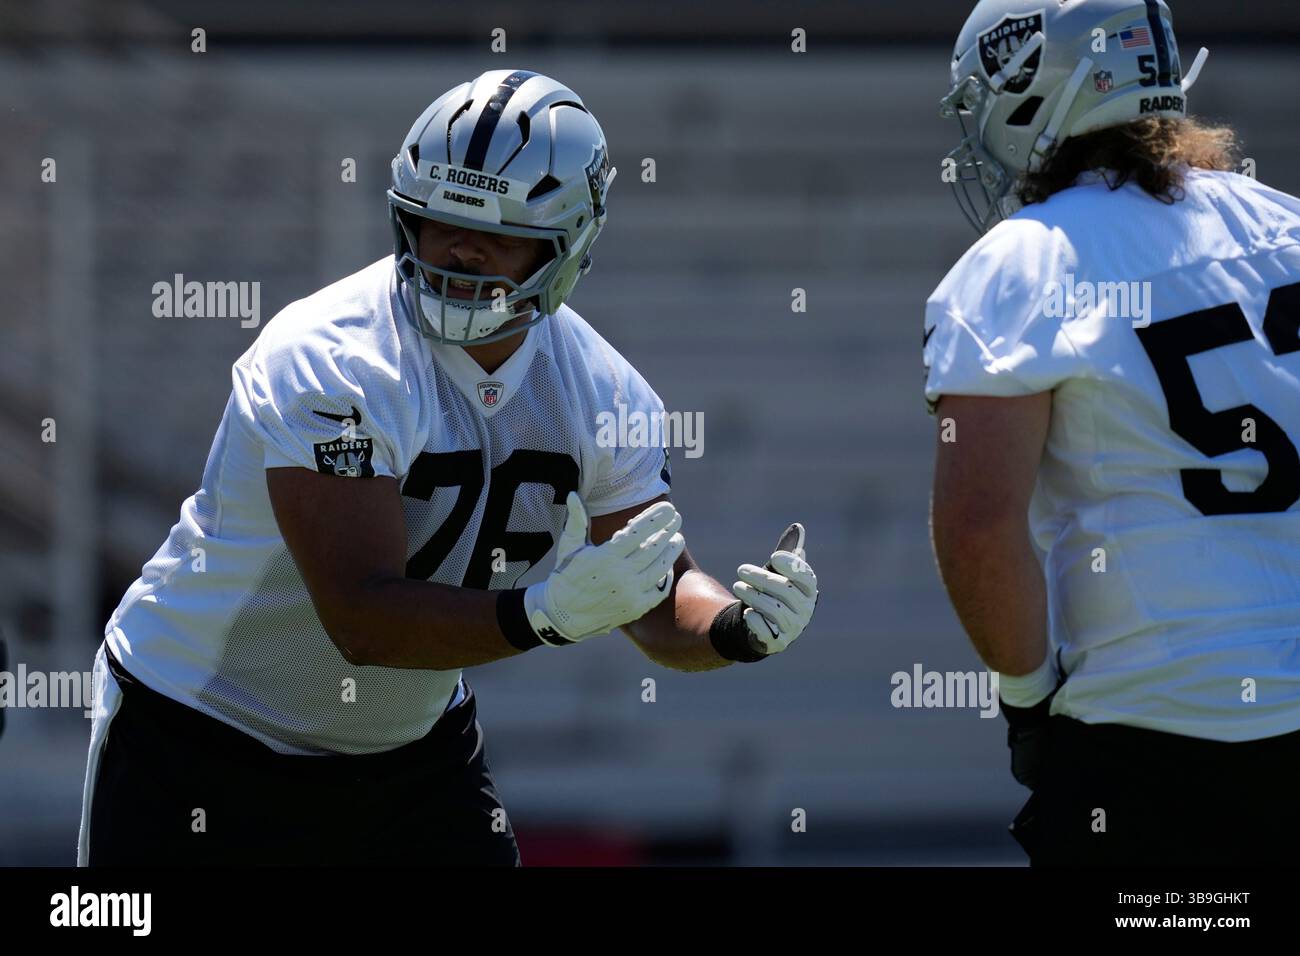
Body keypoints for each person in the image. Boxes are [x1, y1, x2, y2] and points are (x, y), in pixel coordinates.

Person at [78, 69, 819, 866]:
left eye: (497, 234)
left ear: (568, 244)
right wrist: (542, 614)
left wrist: (737, 627)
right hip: (197, 734)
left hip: (407, 757)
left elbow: (658, 591)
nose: (462, 252)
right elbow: (361, 619)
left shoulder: (601, 389)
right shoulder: (332, 358)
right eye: (440, 224)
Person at [926, 0, 1300, 865]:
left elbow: (980, 525)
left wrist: (1026, 702)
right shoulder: (1285, 222)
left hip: (1157, 737)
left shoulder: (1024, 261)